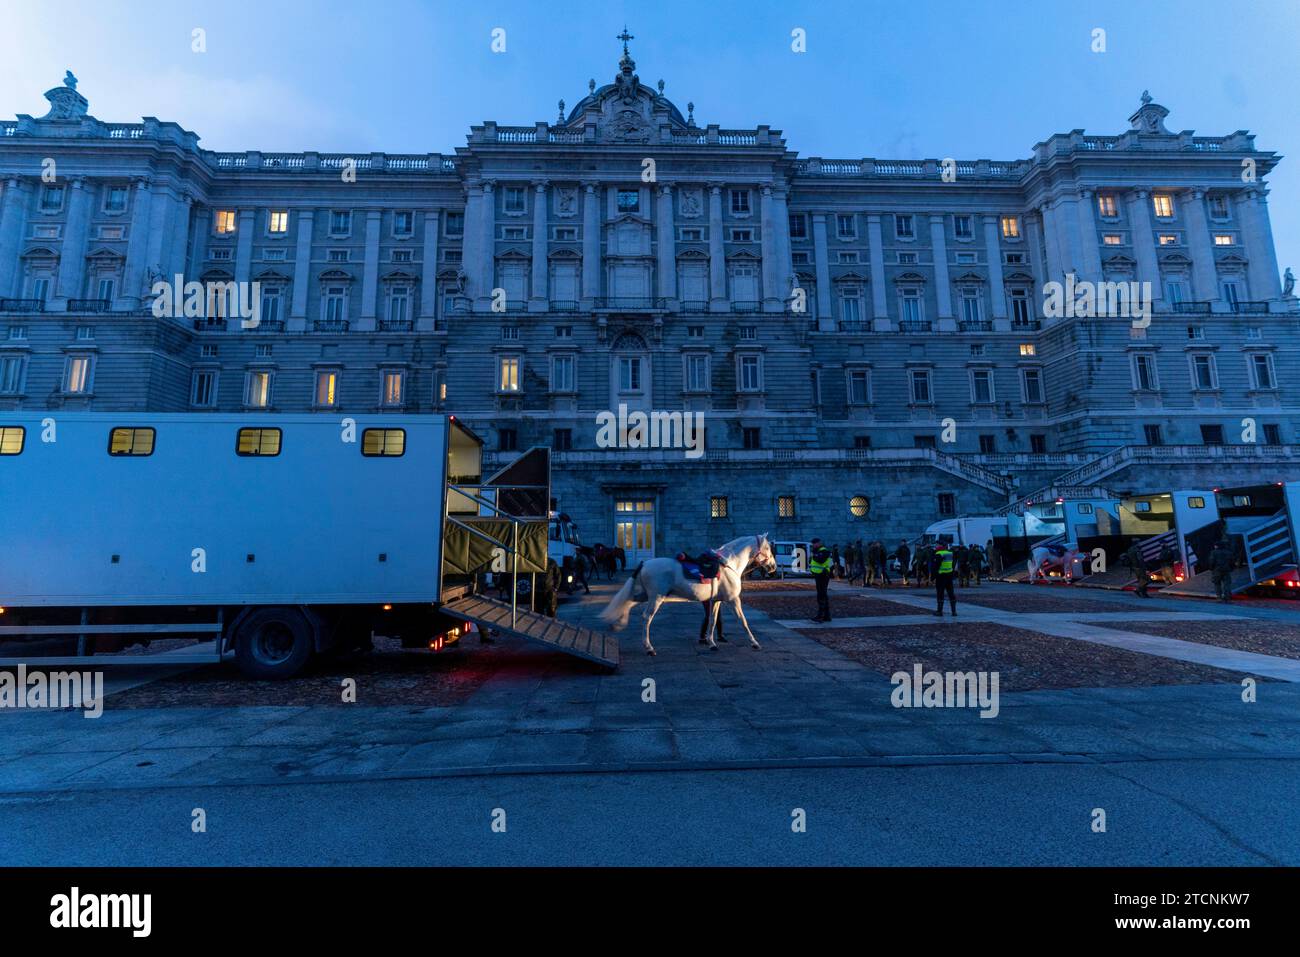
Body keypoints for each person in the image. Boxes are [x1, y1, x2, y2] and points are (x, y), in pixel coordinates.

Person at [809, 537, 833, 622]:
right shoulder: (818, 551)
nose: (813, 545)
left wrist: (814, 554)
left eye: (814, 544)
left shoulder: (824, 551)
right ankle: (826, 616)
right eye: (813, 544)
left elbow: (820, 560)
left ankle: (821, 616)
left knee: (821, 595)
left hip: (823, 574)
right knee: (823, 595)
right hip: (819, 575)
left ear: (819, 543)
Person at [932, 542, 957, 616]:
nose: (935, 546)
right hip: (949, 575)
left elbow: (936, 566)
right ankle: (954, 611)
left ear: (940, 545)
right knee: (951, 593)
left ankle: (939, 611)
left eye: (936, 544)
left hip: (941, 576)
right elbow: (953, 563)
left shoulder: (939, 554)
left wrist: (933, 577)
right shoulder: (950, 553)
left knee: (940, 593)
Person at [1209, 538, 1236, 603]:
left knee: (1217, 584)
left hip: (1217, 570)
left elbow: (1212, 561)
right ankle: (1227, 598)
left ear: (1217, 546)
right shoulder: (1229, 552)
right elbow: (1232, 562)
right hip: (1226, 570)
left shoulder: (1214, 552)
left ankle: (1219, 597)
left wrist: (1211, 568)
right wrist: (1231, 568)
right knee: (1227, 584)